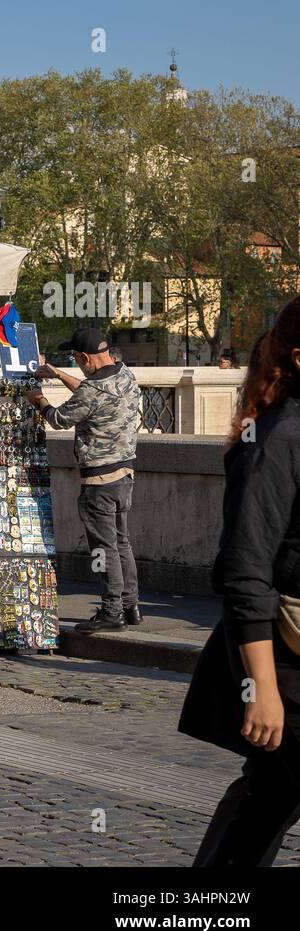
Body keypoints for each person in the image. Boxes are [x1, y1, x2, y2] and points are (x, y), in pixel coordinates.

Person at [181, 308, 300, 866]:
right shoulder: (277, 440)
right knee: (269, 796)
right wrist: (264, 689)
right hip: (287, 661)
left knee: (271, 796)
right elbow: (245, 573)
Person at [27, 328, 142, 633]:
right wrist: (58, 373)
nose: (77, 365)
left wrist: (38, 399)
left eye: (76, 360)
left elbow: (60, 418)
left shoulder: (92, 391)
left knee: (103, 549)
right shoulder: (125, 374)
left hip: (99, 481)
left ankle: (111, 610)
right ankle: (131, 606)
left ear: (85, 358)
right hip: (125, 474)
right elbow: (91, 394)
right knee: (121, 542)